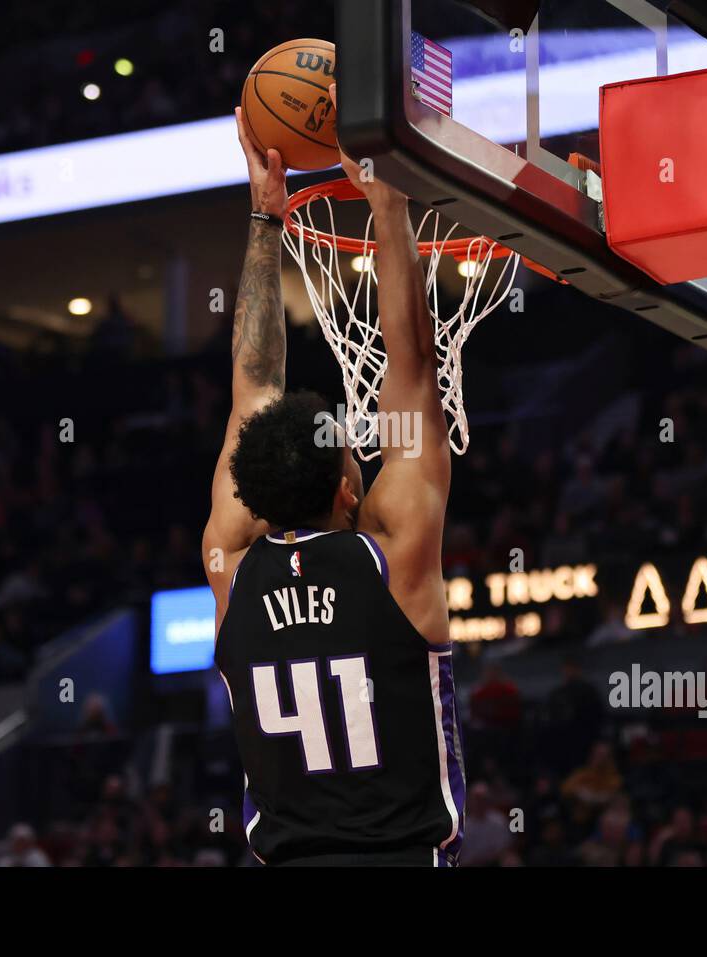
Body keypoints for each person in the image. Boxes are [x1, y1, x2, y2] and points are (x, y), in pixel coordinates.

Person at [203, 89, 463, 867]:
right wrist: (386, 202)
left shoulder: (231, 567)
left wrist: (265, 218)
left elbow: (253, 387)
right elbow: (410, 367)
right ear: (350, 491)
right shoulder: (393, 559)